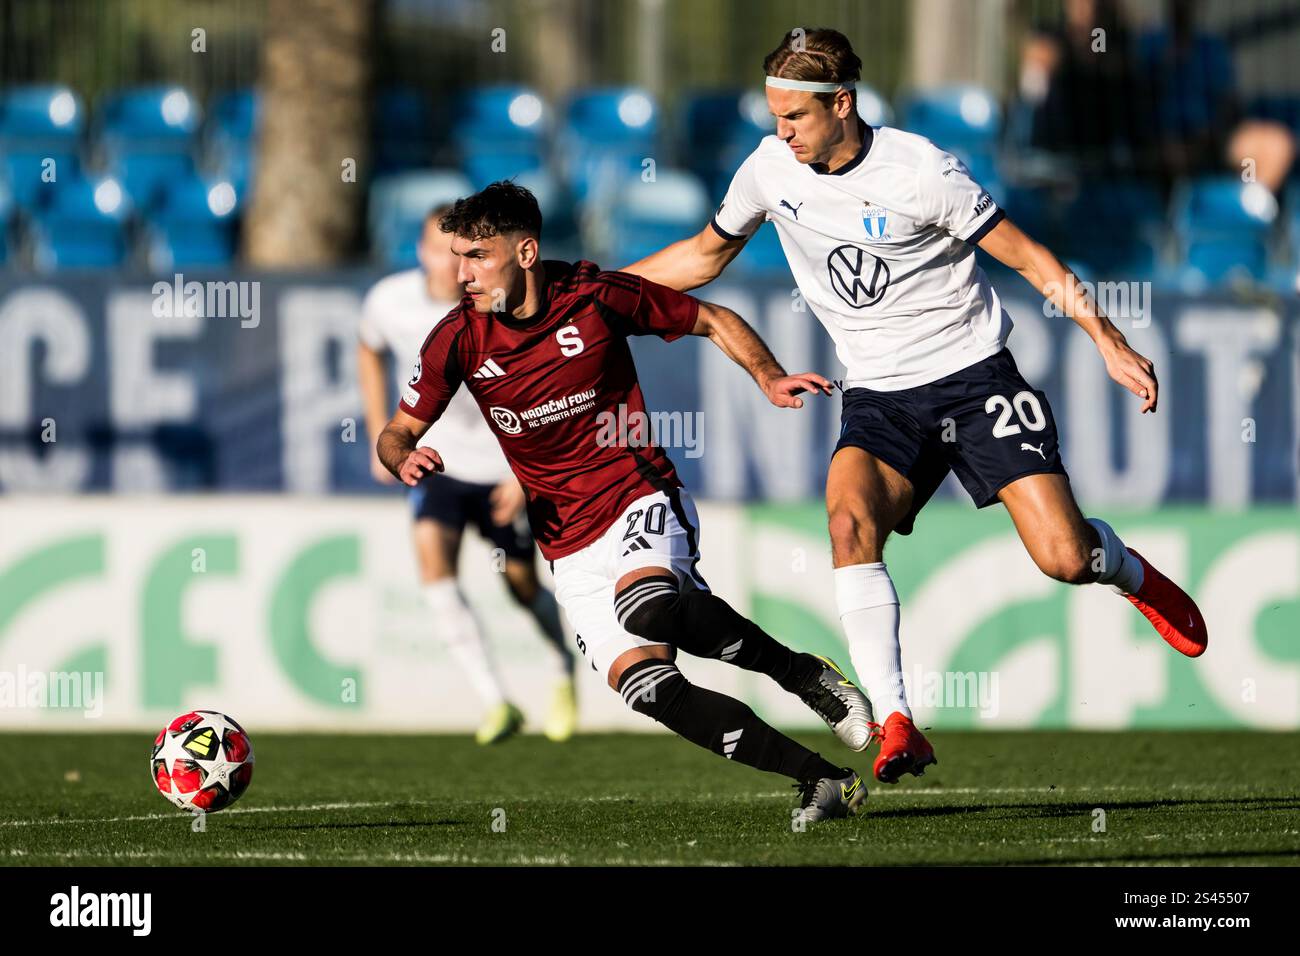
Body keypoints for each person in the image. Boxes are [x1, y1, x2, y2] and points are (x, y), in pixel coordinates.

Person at [623, 27, 1208, 786]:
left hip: (975, 380)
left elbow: (1027, 256)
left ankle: (1129, 570)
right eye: (773, 117)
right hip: (879, 397)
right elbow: (704, 253)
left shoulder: (922, 170)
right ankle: (898, 721)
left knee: (1065, 558)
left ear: (842, 103)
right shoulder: (770, 168)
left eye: (794, 117)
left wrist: (1106, 338)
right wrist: (596, 293)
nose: (781, 133)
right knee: (846, 521)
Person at [377, 181, 876, 823]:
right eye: (456, 255)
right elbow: (397, 431)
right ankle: (821, 781)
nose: (460, 271)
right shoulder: (456, 339)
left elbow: (712, 318)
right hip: (566, 542)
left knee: (646, 608)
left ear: (524, 252)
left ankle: (804, 676)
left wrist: (768, 375)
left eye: (477, 255)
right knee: (648, 689)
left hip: (635, 492)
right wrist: (403, 457)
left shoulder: (593, 296)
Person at [358, 205, 577, 745]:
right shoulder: (390, 301)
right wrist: (378, 437)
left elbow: (554, 392)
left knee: (520, 585)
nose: (451, 265)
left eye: (464, 253)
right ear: (420, 251)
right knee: (435, 567)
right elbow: (369, 346)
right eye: (439, 250)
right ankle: (495, 701)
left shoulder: (501, 307)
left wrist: (526, 476)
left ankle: (561, 666)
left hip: (507, 467)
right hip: (441, 465)